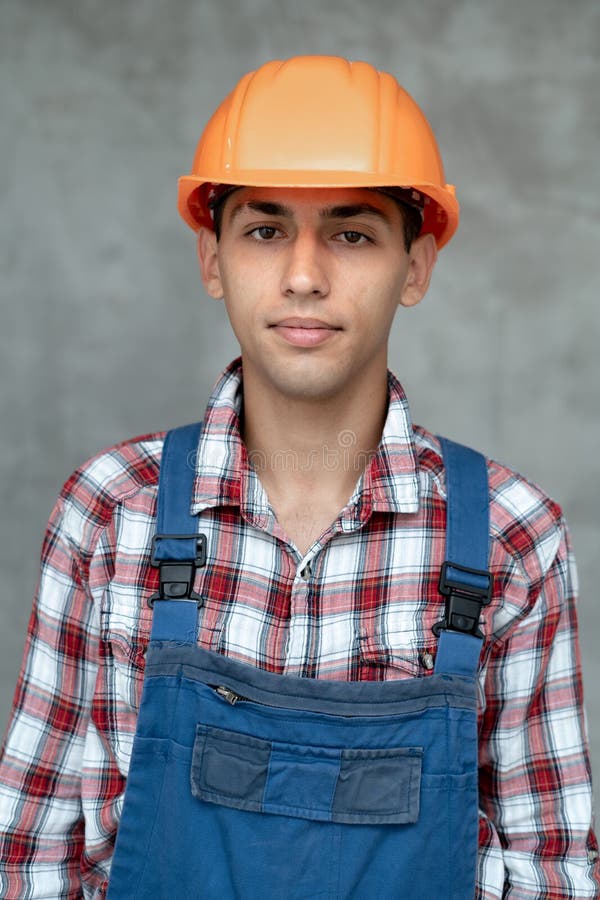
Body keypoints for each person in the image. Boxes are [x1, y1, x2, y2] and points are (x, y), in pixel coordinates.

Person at [0, 55, 598, 899]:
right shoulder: (107, 515)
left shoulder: (513, 537)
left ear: (416, 265)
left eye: (351, 234)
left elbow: (555, 874)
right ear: (213, 258)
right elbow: (29, 859)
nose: (305, 276)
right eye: (265, 229)